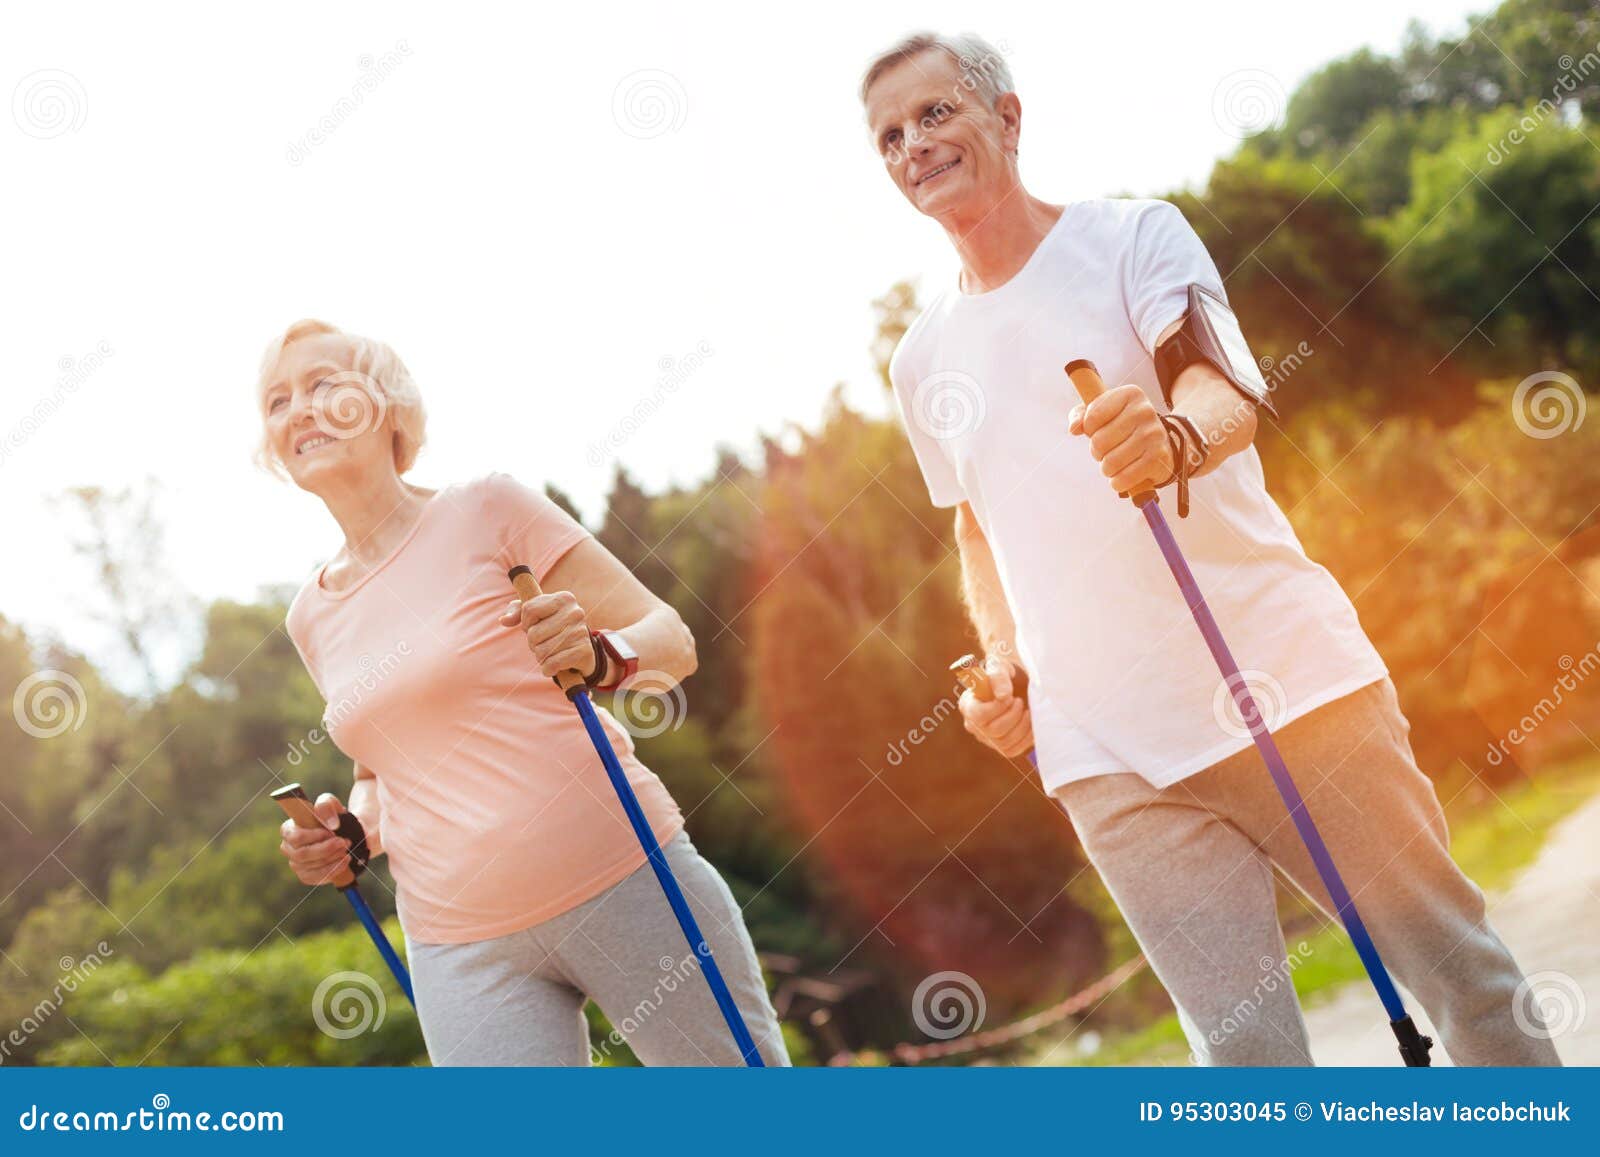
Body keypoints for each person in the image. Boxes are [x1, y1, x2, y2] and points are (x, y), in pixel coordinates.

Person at [860, 31, 1560, 1066]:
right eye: (888, 136)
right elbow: (975, 524)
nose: (913, 144)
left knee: (1461, 977)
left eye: (935, 112)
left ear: (1007, 118)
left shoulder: (1134, 238)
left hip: (1286, 683)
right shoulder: (922, 360)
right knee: (1244, 1068)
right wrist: (1003, 666)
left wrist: (1173, 438)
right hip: (1108, 752)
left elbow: (1218, 381)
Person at [261, 318, 787, 1066]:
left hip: (623, 874)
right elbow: (381, 768)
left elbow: (670, 637)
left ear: (385, 403)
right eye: (277, 400)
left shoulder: (487, 509)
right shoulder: (309, 616)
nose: (299, 409)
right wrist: (350, 831)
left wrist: (602, 657)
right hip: (459, 946)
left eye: (321, 383)